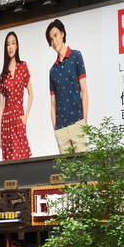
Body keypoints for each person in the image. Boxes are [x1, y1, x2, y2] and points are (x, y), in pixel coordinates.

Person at [47, 19, 89, 153]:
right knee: (65, 172)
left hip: (78, 123)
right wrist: (56, 129)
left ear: (62, 34)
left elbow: (84, 91)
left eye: (56, 36)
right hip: (61, 130)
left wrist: (84, 123)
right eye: (51, 39)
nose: (54, 42)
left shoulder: (76, 56)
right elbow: (53, 103)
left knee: (84, 168)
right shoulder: (53, 70)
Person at [0, 30, 33, 160]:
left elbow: (31, 93)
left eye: (13, 43)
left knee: (22, 155)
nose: (11, 47)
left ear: (17, 46)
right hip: (6, 120)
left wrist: (26, 116)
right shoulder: (3, 75)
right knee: (10, 159)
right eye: (8, 44)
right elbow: (1, 106)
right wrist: (0, 133)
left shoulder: (23, 66)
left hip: (19, 116)